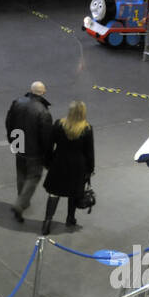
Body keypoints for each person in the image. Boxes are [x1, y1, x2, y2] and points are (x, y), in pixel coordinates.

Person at [41, 100, 95, 235]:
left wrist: (48, 163)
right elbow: (89, 152)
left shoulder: (59, 124)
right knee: (73, 193)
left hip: (59, 164)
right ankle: (70, 218)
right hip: (78, 167)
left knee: (54, 193)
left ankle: (47, 222)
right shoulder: (87, 129)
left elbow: (49, 146)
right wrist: (90, 169)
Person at [5, 81, 53, 223]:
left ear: (30, 90)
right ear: (43, 92)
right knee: (33, 176)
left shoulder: (17, 102)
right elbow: (46, 137)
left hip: (19, 145)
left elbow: (9, 122)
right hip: (34, 151)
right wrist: (47, 157)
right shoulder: (43, 112)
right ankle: (20, 204)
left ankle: (22, 198)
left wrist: (12, 140)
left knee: (21, 173)